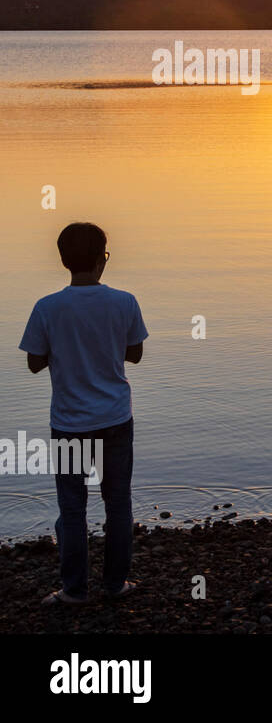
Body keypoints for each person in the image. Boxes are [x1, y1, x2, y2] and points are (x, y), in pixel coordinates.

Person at [20, 222, 147, 604]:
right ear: (100, 260)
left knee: (72, 508)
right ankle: (115, 585)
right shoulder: (124, 302)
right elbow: (135, 353)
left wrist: (65, 348)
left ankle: (74, 590)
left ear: (63, 261)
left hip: (70, 424)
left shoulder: (47, 308)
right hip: (115, 421)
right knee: (118, 503)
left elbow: (33, 363)